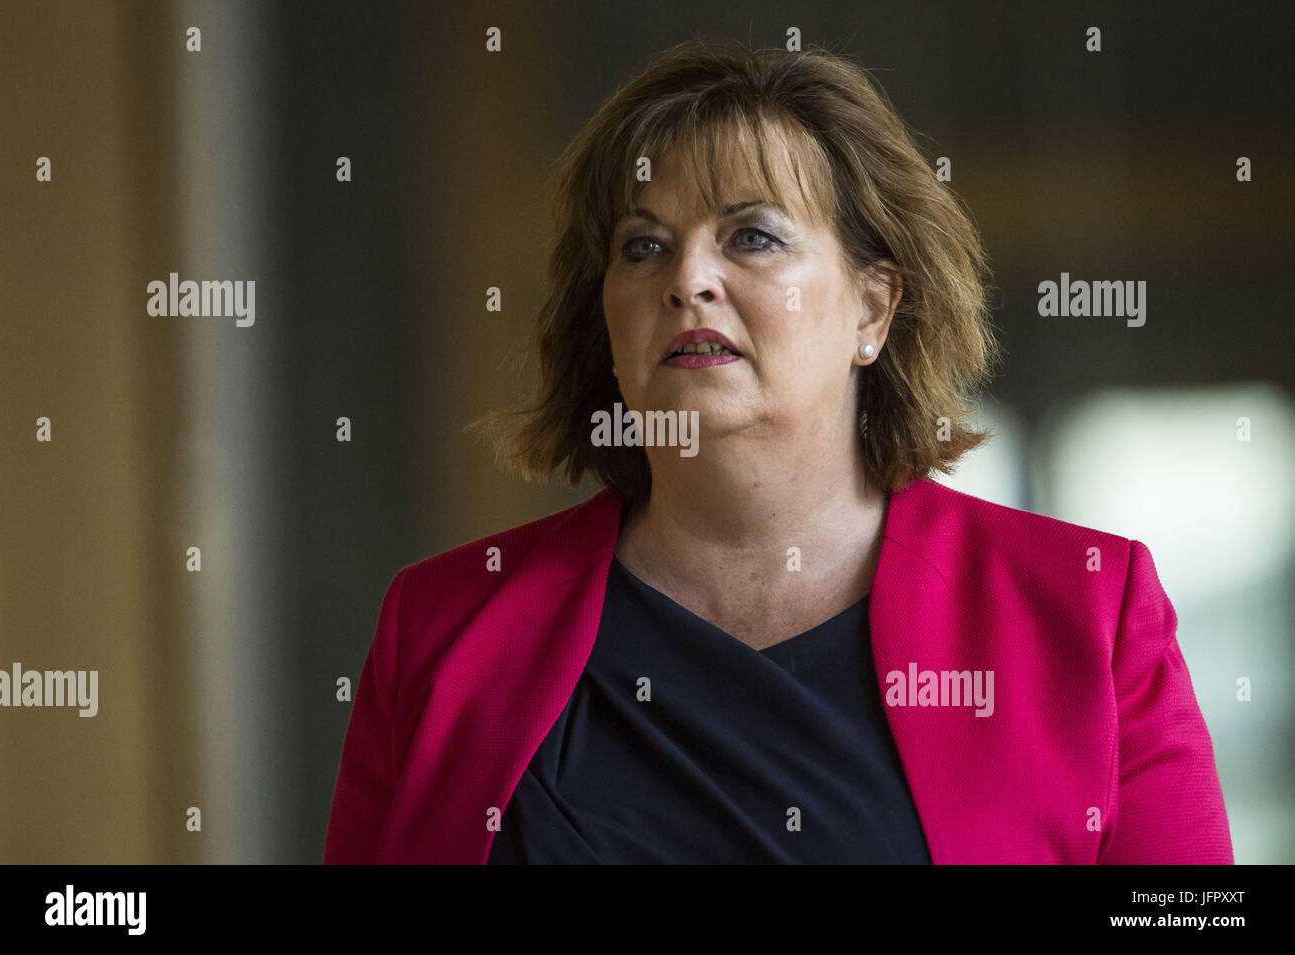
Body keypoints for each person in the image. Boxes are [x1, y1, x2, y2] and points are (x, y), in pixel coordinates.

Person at [323, 37, 1232, 864]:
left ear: (872, 310)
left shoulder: (1087, 610)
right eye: (643, 246)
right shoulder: (439, 629)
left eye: (750, 237)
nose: (687, 281)